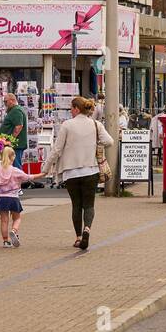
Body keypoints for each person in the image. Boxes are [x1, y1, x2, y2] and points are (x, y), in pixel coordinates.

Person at [42, 96, 114, 250]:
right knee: (89, 204)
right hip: (91, 170)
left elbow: (57, 149)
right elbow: (110, 141)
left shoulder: (67, 125)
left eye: (71, 108)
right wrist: (95, 144)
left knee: (76, 205)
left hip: (71, 172)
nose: (70, 111)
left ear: (76, 108)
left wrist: (46, 168)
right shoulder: (96, 124)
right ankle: (87, 229)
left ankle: (78, 237)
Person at [0, 145, 39, 248]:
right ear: (12, 157)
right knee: (17, 219)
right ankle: (14, 231)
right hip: (13, 198)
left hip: (1, 198)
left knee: (4, 221)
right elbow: (28, 177)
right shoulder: (15, 170)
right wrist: (42, 174)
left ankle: (5, 242)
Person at [0, 92, 28, 168]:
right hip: (13, 144)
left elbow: (19, 126)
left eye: (6, 101)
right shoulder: (14, 110)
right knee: (13, 165)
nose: (5, 103)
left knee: (16, 165)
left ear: (12, 100)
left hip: (15, 145)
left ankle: (20, 180)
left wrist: (10, 141)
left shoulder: (16, 110)